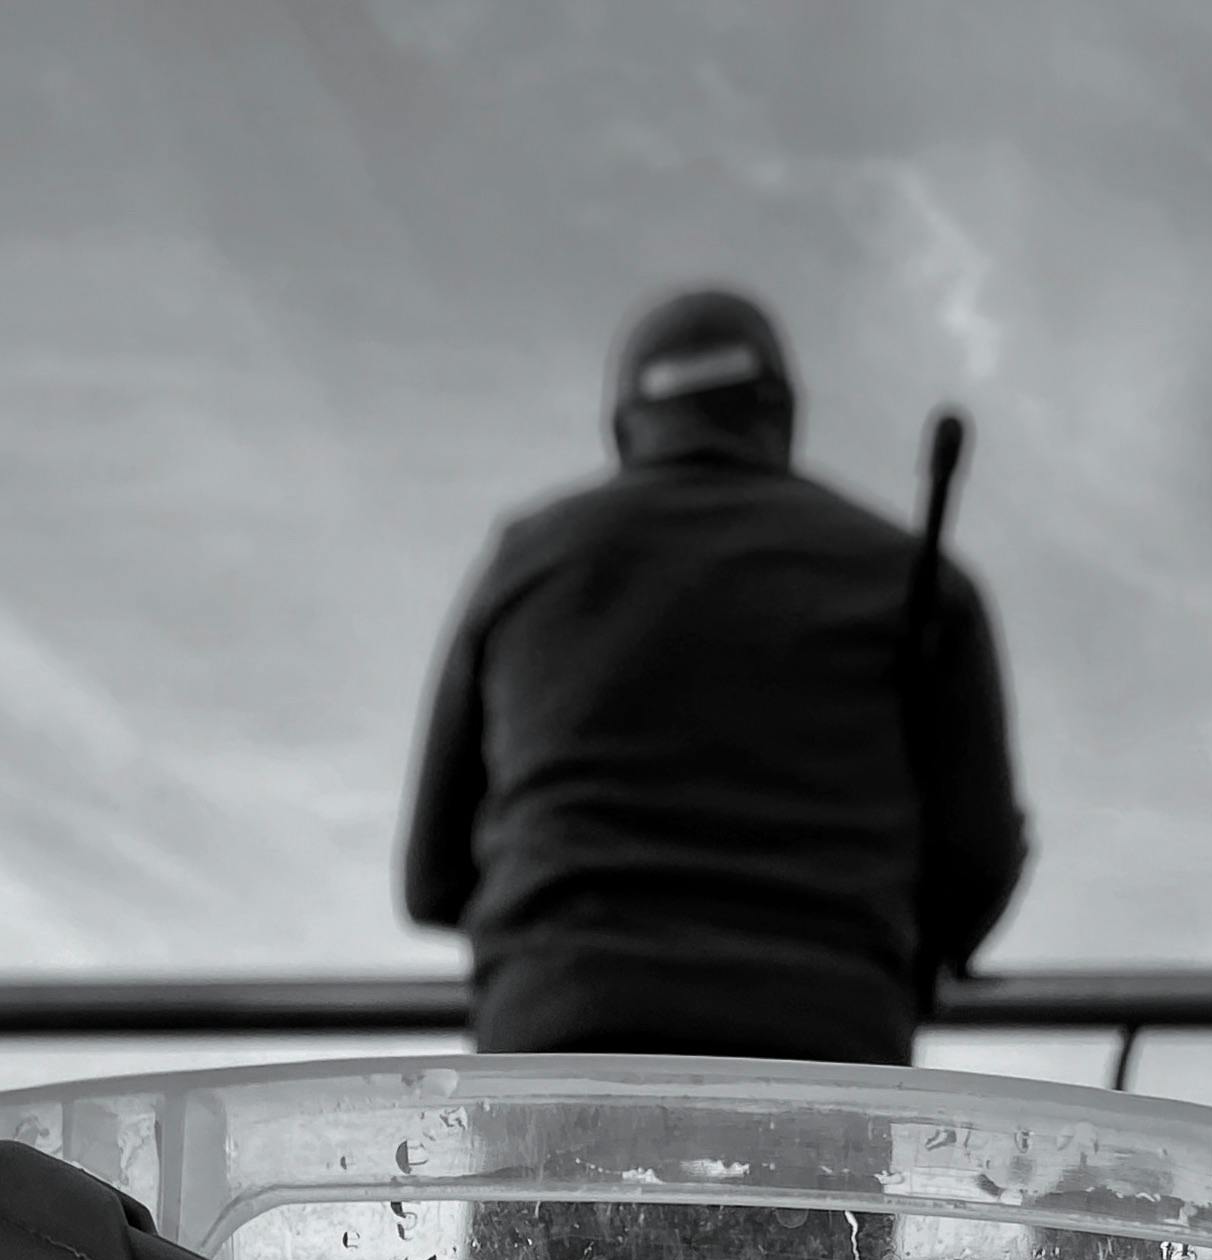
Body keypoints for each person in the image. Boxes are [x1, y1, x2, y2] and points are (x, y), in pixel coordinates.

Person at [399, 286, 1029, 1067]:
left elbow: (430, 881)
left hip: (556, 1052)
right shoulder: (919, 580)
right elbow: (975, 869)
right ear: (781, 415)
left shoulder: (522, 561)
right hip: (830, 1060)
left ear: (625, 426)